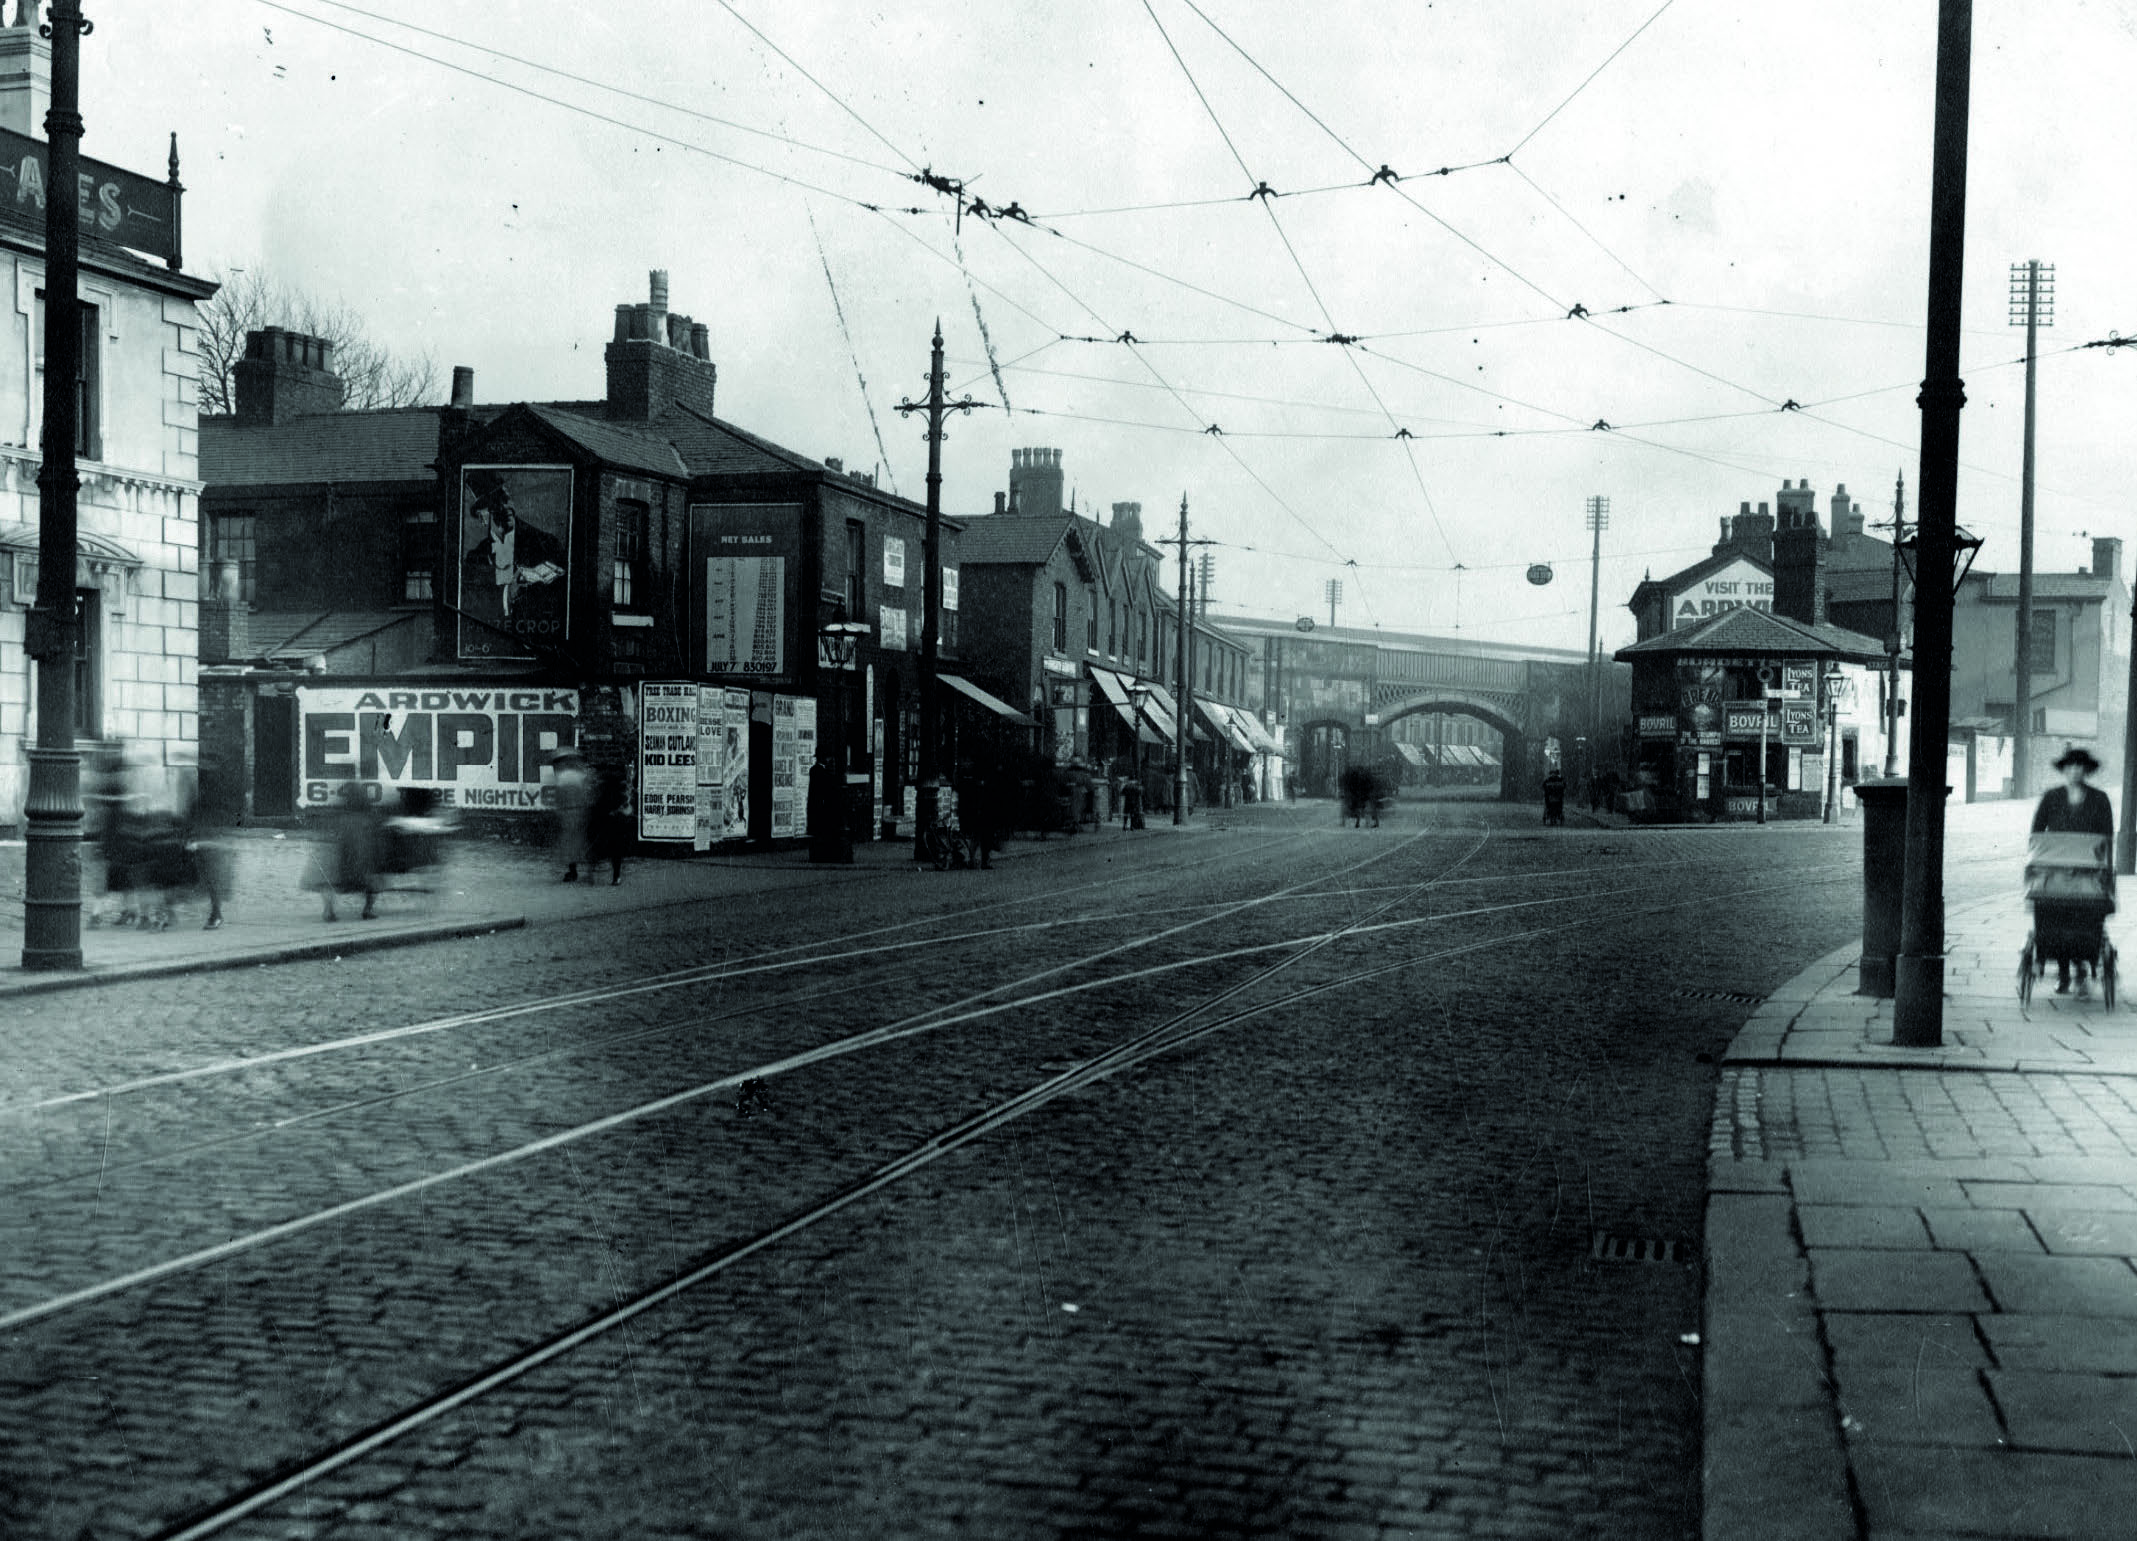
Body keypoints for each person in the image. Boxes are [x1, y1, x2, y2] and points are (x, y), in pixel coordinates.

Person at [2031, 746, 2116, 994]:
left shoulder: (2100, 799)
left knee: (2085, 915)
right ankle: (2064, 971)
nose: (2075, 770)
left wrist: (2102, 867)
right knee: (2050, 911)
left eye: (2079, 766)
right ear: (2064, 770)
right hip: (2056, 871)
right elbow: (2037, 833)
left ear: (2086, 770)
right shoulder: (2051, 797)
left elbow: (2106, 837)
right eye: (2070, 766)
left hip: (2088, 873)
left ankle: (2080, 967)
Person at [307, 781, 381, 921]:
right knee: (373, 883)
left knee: (327, 882)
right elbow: (368, 848)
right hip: (357, 868)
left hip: (338, 868)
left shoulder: (338, 818)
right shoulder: (365, 821)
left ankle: (328, 910)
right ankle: (367, 910)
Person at [552, 748, 595, 882]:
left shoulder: (562, 777)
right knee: (583, 842)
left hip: (568, 813)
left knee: (570, 844)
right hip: (581, 811)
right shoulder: (582, 775)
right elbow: (588, 795)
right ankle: (588, 871)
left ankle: (573, 872)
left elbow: (559, 797)